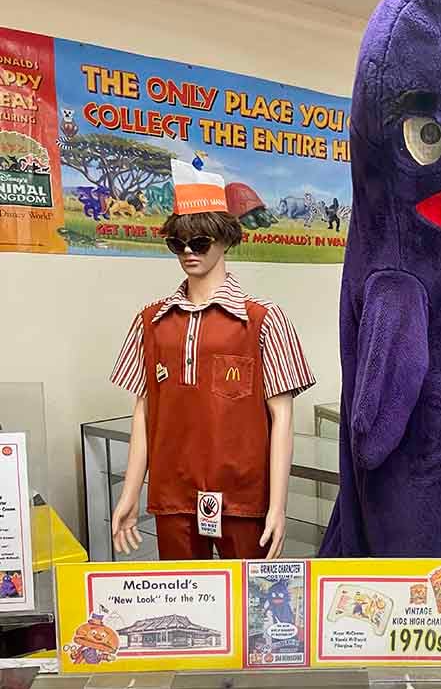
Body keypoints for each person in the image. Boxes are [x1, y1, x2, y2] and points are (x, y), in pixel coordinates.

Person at [110, 161, 314, 560]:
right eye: (177, 243)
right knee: (186, 601)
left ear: (224, 240)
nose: (188, 252)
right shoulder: (151, 322)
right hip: (173, 497)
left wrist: (278, 505)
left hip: (243, 498)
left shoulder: (262, 320)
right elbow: (143, 412)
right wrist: (130, 492)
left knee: (250, 609)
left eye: (199, 242)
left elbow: (282, 419)